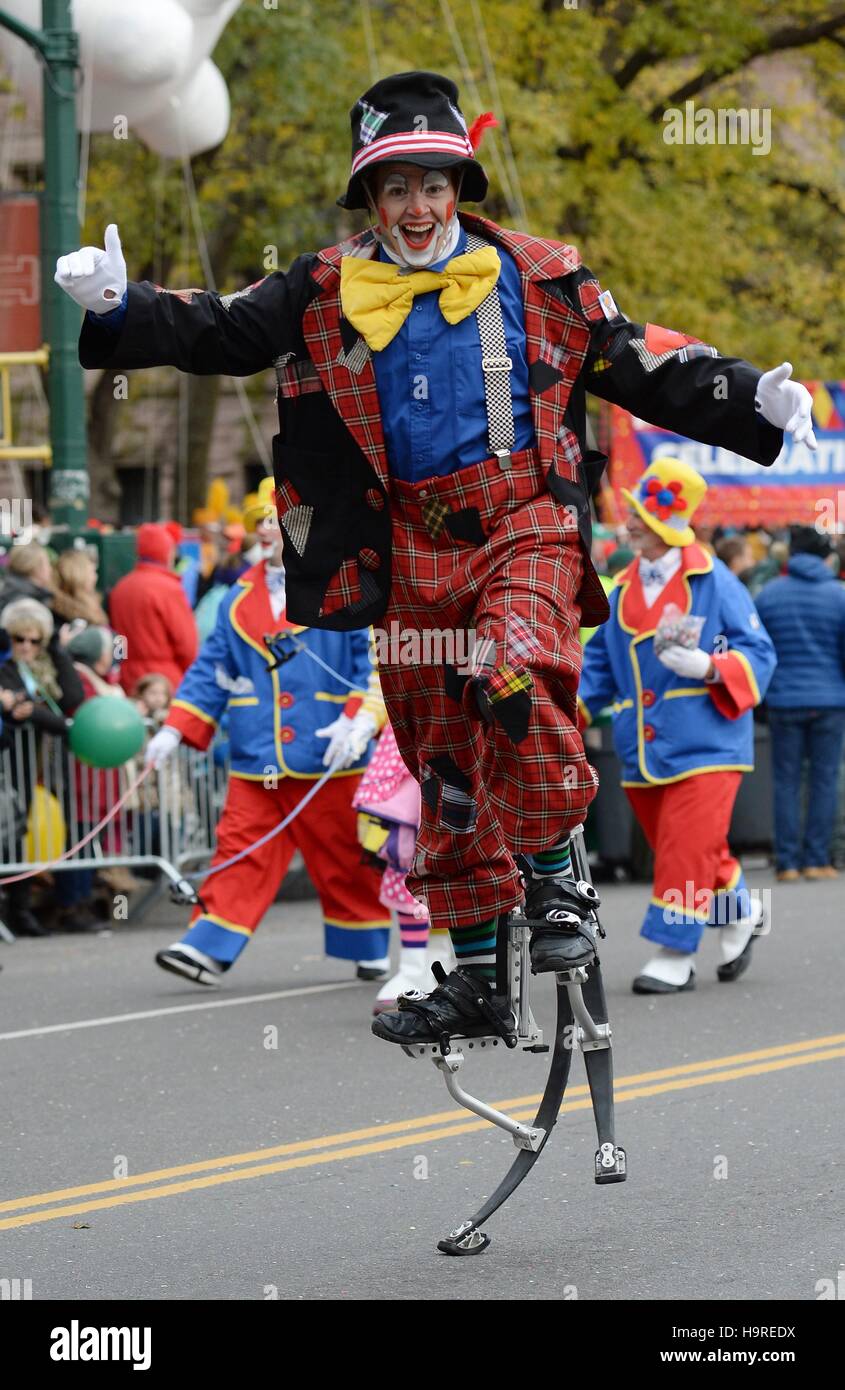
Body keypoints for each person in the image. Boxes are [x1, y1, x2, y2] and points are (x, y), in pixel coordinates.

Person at [56, 70, 815, 1043]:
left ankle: (552, 878)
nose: (416, 207)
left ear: (459, 188)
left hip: (520, 516)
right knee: (436, 758)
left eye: (432, 184)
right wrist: (121, 306)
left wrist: (747, 397)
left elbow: (635, 359)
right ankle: (479, 973)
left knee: (510, 670)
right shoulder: (323, 287)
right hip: (403, 542)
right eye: (396, 188)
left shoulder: (538, 274)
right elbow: (221, 328)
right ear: (371, 198)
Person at [142, 480, 392, 986]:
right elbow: (212, 668)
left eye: (273, 519)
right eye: (258, 519)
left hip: (329, 751)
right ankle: (206, 948)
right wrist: (176, 728)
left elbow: (375, 660)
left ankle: (370, 944)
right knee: (238, 850)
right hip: (257, 752)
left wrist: (359, 719)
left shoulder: (341, 584)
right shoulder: (238, 597)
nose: (262, 528)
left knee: (345, 857)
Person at [578, 459, 777, 993]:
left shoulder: (715, 581)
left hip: (707, 739)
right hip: (642, 749)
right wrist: (563, 715)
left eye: (640, 514)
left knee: (685, 850)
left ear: (665, 524)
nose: (631, 522)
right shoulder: (619, 590)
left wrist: (714, 667)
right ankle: (741, 911)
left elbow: (760, 652)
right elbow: (596, 670)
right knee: (687, 849)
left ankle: (675, 950)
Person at [754, 525, 845, 881]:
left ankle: (788, 862)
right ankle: (817, 859)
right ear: (825, 558)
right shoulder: (838, 595)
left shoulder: (768, 595)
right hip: (830, 701)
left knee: (786, 781)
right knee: (824, 780)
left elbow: (758, 649)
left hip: (783, 701)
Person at [353, 720, 454, 1011]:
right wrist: (360, 719)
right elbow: (377, 684)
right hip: (408, 739)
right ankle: (413, 965)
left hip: (458, 731)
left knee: (456, 863)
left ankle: (448, 960)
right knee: (405, 859)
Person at [0, 598, 84, 936]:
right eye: (19, 639)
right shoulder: (5, 667)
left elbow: (73, 700)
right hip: (10, 764)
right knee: (9, 834)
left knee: (21, 832)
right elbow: (22, 711)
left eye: (35, 640)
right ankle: (14, 912)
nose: (26, 647)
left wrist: (59, 652)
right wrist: (54, 722)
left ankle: (21, 910)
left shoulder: (46, 666)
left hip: (36, 763)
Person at [108, 523, 198, 694]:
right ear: (166, 552)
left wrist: (122, 668)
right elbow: (187, 646)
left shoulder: (120, 587)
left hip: (129, 679)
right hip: (163, 683)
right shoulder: (169, 588)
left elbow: (118, 640)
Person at [52, 547, 109, 628]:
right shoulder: (71, 616)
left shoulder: (92, 602)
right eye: (92, 572)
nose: (95, 577)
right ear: (80, 576)